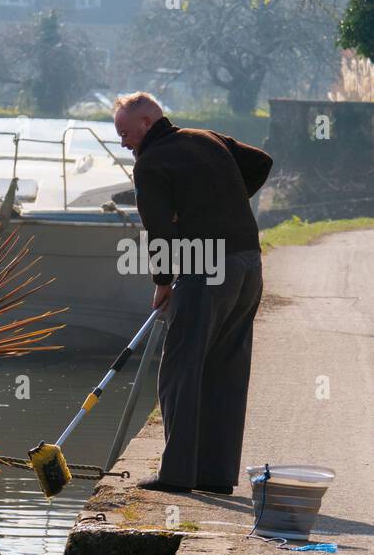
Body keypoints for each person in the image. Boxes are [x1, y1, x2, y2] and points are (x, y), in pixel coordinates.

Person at [112, 92, 273, 495]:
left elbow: (159, 233)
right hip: (248, 263)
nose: (123, 142)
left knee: (180, 370)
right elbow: (261, 163)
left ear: (147, 123)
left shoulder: (150, 165)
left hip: (207, 269)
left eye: (126, 132)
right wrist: (224, 203)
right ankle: (216, 476)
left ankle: (178, 475)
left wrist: (162, 283)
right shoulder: (206, 138)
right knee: (226, 371)